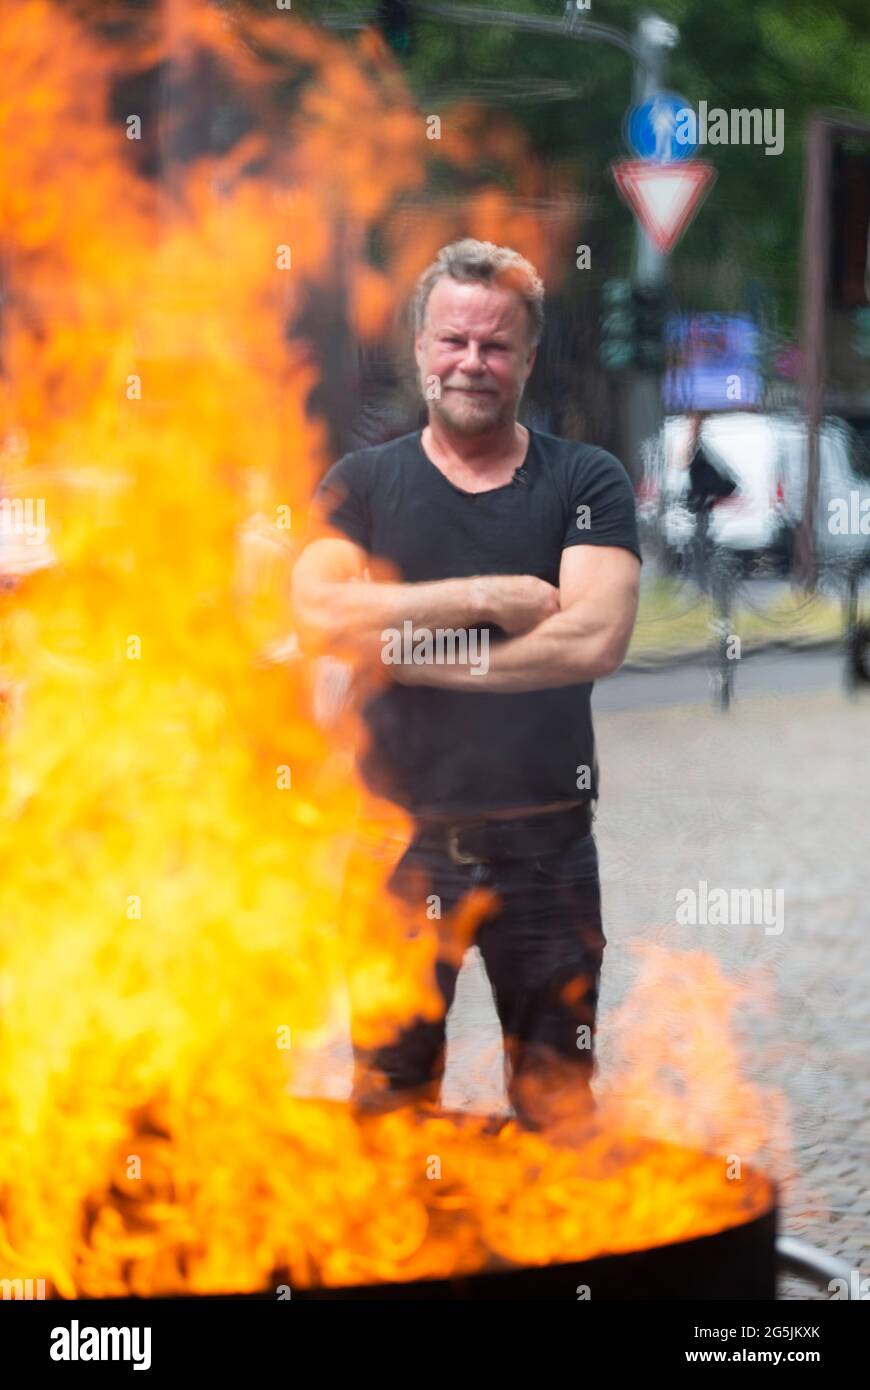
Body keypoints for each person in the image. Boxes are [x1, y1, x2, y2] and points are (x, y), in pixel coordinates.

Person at [292, 238, 641, 1133]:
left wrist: (406, 652)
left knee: (559, 1109)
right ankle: (407, 1275)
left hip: (546, 853)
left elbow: (593, 636)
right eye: (453, 341)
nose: (471, 364)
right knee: (390, 1101)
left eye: (494, 346)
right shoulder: (362, 484)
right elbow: (318, 613)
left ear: (526, 358)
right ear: (419, 347)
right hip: (396, 856)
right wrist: (491, 597)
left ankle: (559, 1275)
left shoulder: (583, 478)